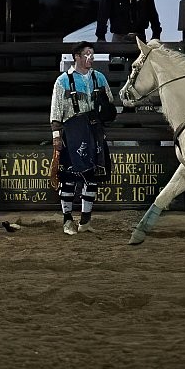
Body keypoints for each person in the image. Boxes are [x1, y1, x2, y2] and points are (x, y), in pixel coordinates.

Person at [50, 41, 117, 234]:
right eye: (87, 54)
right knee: (69, 177)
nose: (90, 58)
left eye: (92, 54)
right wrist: (57, 137)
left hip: (94, 130)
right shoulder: (63, 80)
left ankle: (85, 221)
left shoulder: (100, 78)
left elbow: (110, 104)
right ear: (77, 57)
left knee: (93, 176)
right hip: (73, 130)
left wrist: (106, 111)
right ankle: (67, 220)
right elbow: (56, 112)